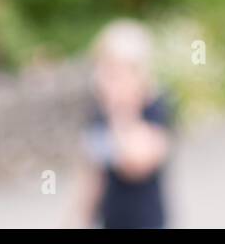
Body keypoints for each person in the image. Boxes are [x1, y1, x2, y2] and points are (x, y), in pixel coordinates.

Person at [73, 20, 173, 229]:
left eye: (115, 73)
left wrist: (122, 113)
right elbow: (94, 172)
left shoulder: (154, 110)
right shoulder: (99, 115)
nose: (104, 81)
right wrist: (79, 218)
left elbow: (136, 163)